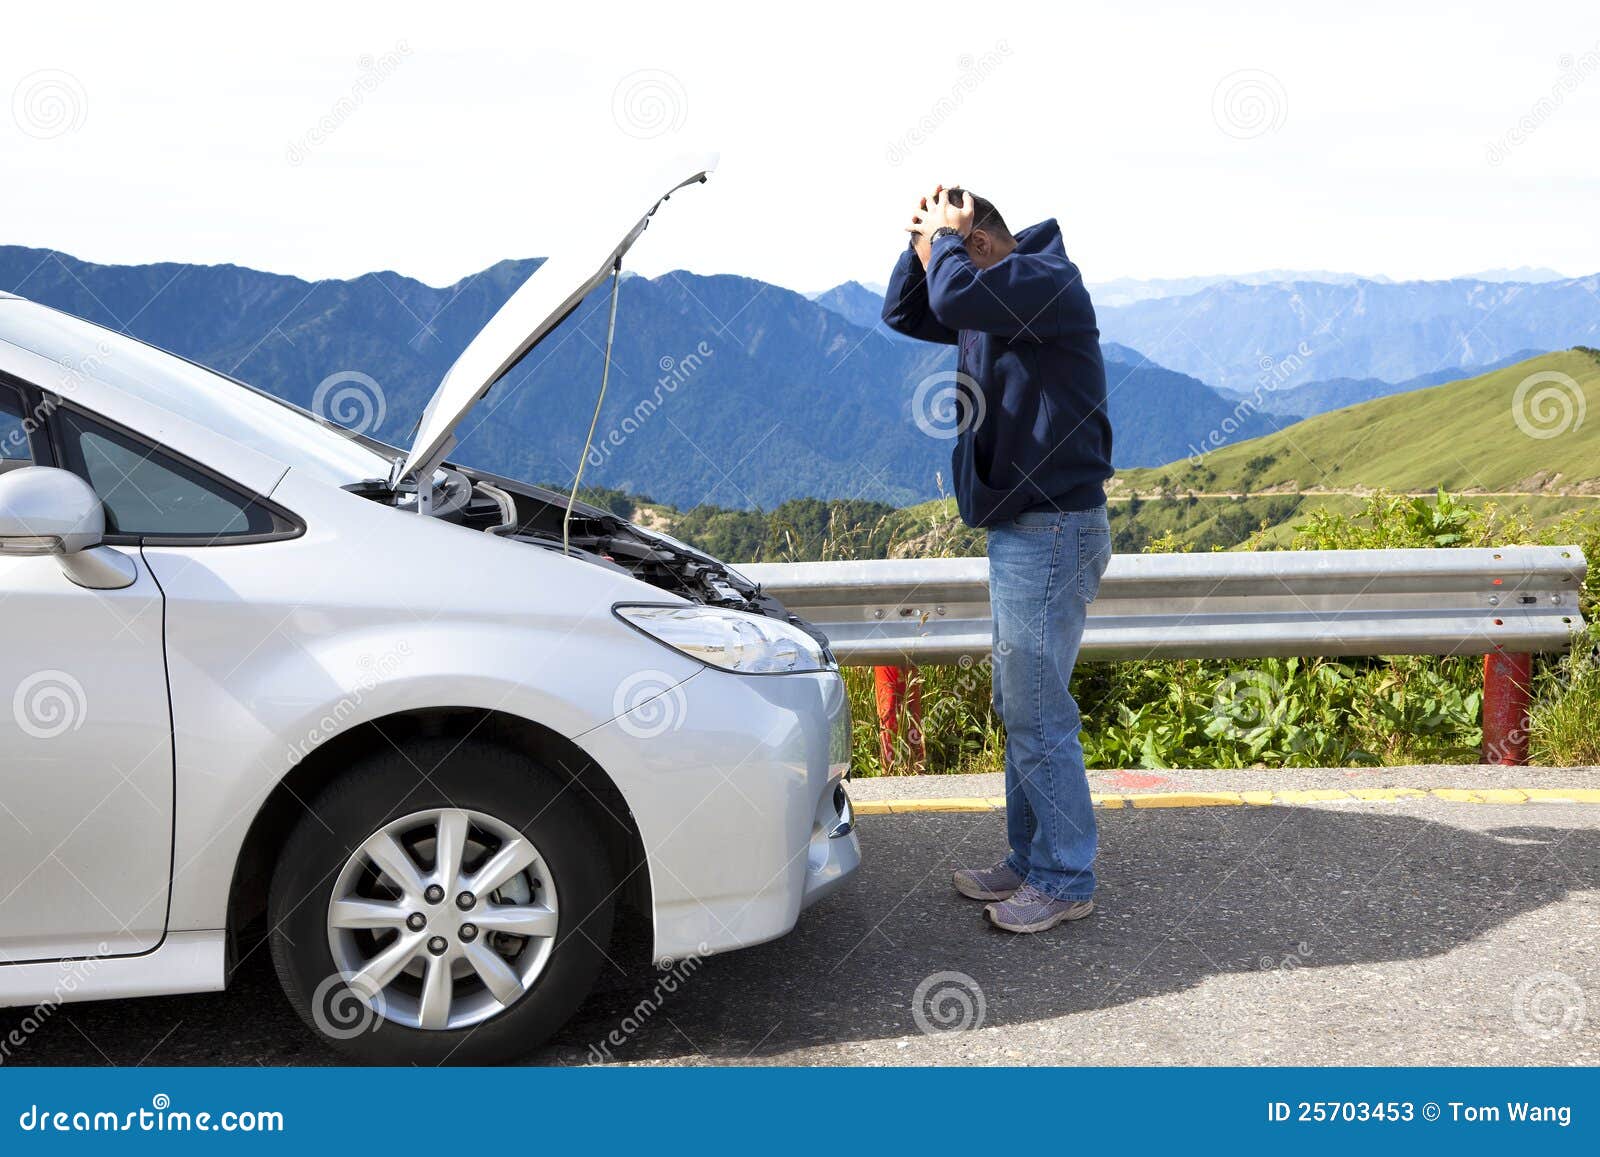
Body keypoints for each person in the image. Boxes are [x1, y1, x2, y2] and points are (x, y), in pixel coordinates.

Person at [882, 186, 1114, 933]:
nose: (942, 262)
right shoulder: (986, 292)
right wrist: (921, 241)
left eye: (951, 244)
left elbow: (953, 294)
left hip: (1052, 527)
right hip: (1026, 526)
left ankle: (1065, 875)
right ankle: (1028, 857)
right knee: (1022, 703)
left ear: (979, 242)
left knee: (1037, 706)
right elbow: (908, 310)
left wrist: (945, 246)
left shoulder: (1045, 282)